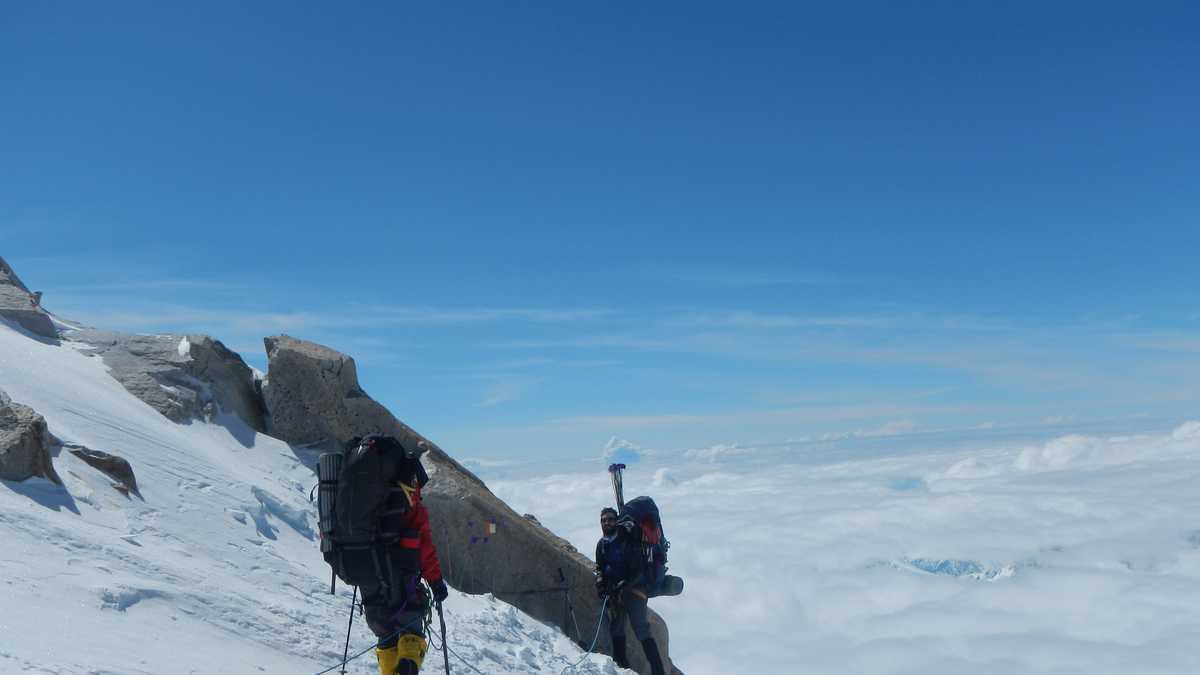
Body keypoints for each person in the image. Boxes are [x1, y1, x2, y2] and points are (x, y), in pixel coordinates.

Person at [352, 437, 450, 675]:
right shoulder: (409, 502)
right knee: (411, 636)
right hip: (400, 576)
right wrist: (436, 582)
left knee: (386, 634)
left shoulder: (362, 498)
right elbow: (424, 546)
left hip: (364, 571)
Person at [595, 507, 666, 675]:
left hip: (635, 590)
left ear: (616, 520)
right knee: (616, 628)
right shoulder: (602, 544)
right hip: (615, 592)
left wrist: (621, 586)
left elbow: (637, 570)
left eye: (610, 519)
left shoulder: (627, 541)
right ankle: (622, 667)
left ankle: (658, 672)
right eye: (604, 520)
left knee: (641, 629)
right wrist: (601, 584)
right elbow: (600, 568)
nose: (607, 523)